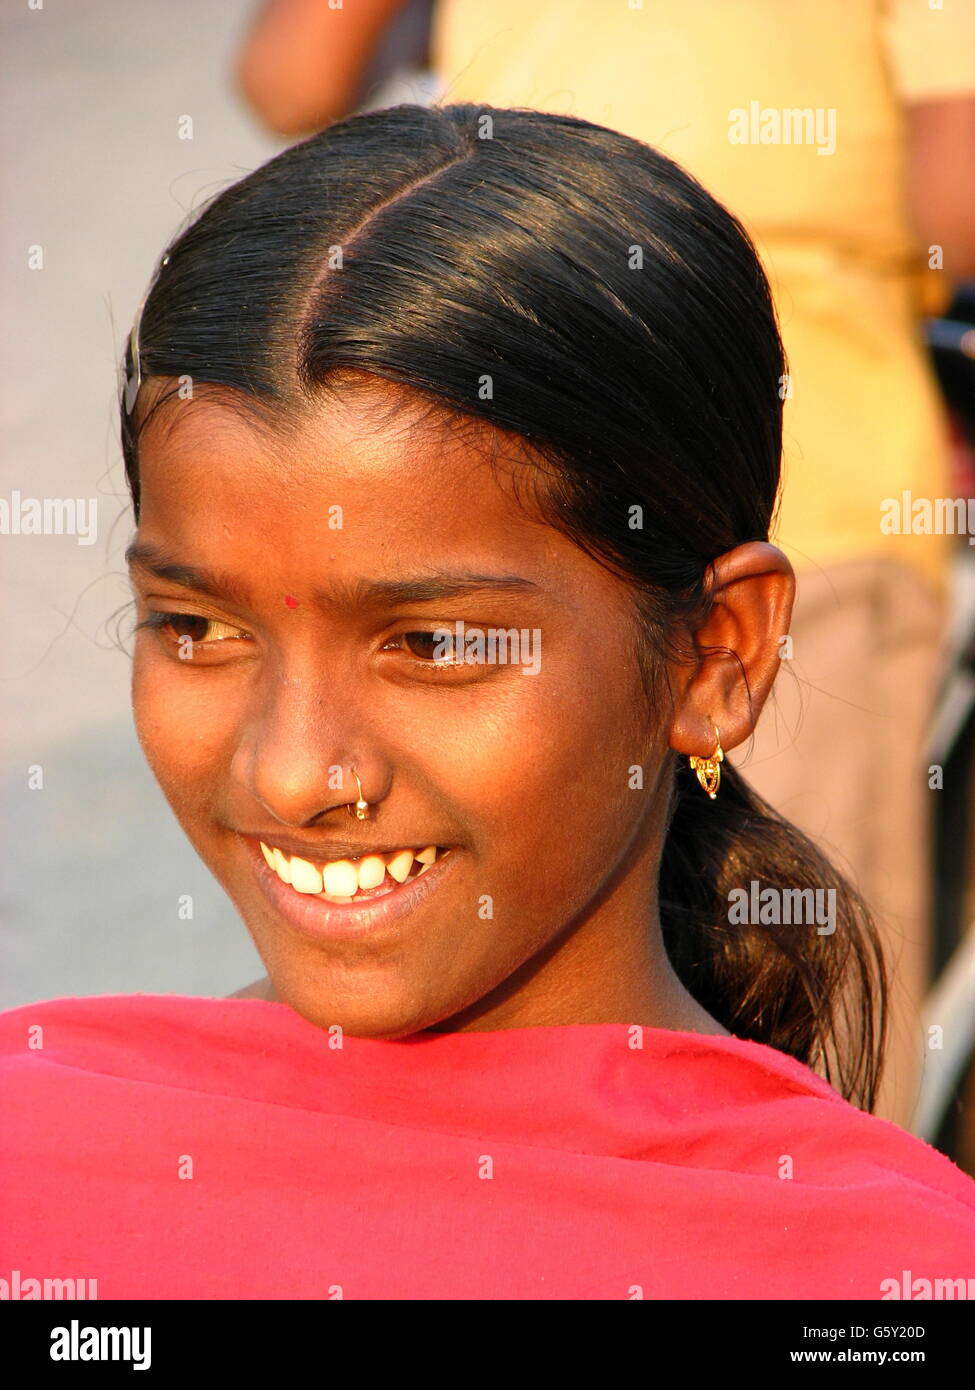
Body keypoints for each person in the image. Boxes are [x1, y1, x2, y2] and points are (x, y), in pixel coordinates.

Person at [2, 104, 973, 1300]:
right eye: (199, 628)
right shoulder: (36, 1149)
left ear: (716, 658)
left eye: (436, 643)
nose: (294, 774)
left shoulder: (889, 1279)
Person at [235, 0, 975, 1134]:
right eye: (191, 628)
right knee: (802, 1070)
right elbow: (956, 203)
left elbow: (291, 77)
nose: (293, 775)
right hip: (803, 454)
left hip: (442, 406)